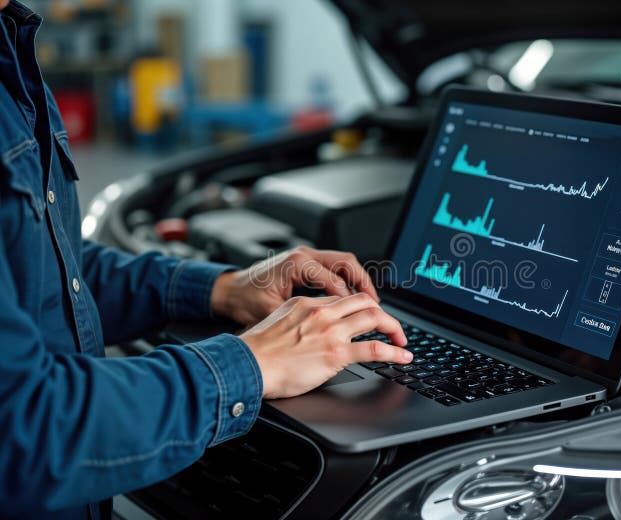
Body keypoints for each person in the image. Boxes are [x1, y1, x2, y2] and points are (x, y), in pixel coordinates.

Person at [0, 1, 411, 518]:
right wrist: (254, 363)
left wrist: (224, 287)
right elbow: (23, 431)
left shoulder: (9, 43)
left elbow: (43, 267)